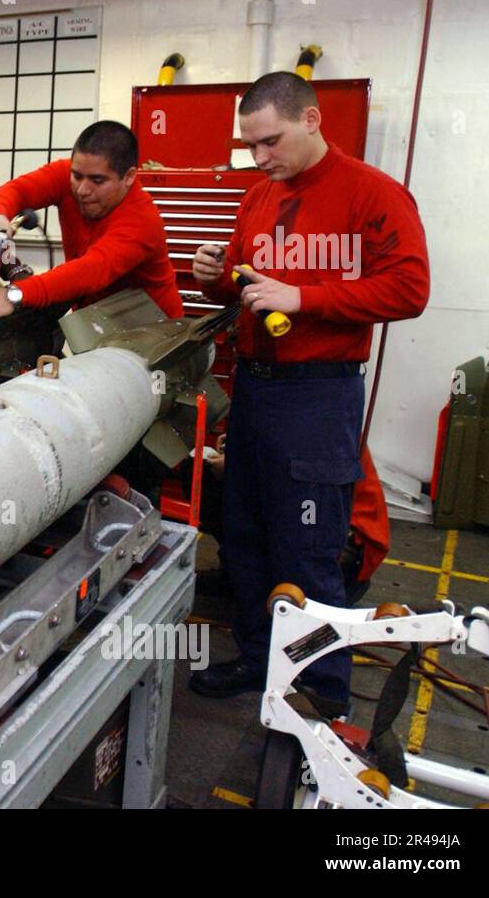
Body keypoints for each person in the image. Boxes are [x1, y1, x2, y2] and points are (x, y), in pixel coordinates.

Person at [188, 72, 429, 707]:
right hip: (257, 391)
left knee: (308, 546)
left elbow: (410, 289)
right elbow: (247, 283)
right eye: (251, 147)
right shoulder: (260, 197)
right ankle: (259, 660)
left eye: (270, 141)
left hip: (319, 397)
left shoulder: (374, 194)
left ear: (313, 121)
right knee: (245, 536)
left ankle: (323, 698)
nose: (260, 158)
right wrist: (216, 277)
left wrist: (306, 298)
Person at [0, 120, 182, 335]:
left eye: (97, 180)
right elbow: (15, 191)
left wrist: (13, 295)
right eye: (77, 176)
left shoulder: (141, 221)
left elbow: (90, 271)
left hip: (152, 334)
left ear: (129, 177)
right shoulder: (67, 175)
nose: (83, 190)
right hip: (95, 325)